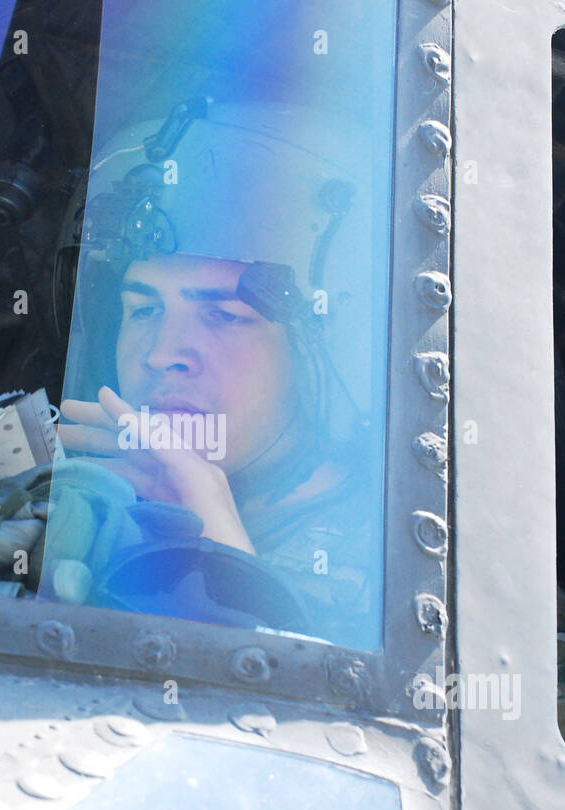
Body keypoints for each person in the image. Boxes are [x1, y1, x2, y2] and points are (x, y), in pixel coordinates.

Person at [53, 100, 384, 643]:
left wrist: (227, 570)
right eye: (144, 309)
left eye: (224, 316)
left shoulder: (426, 582)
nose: (162, 353)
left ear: (325, 346)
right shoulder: (82, 508)